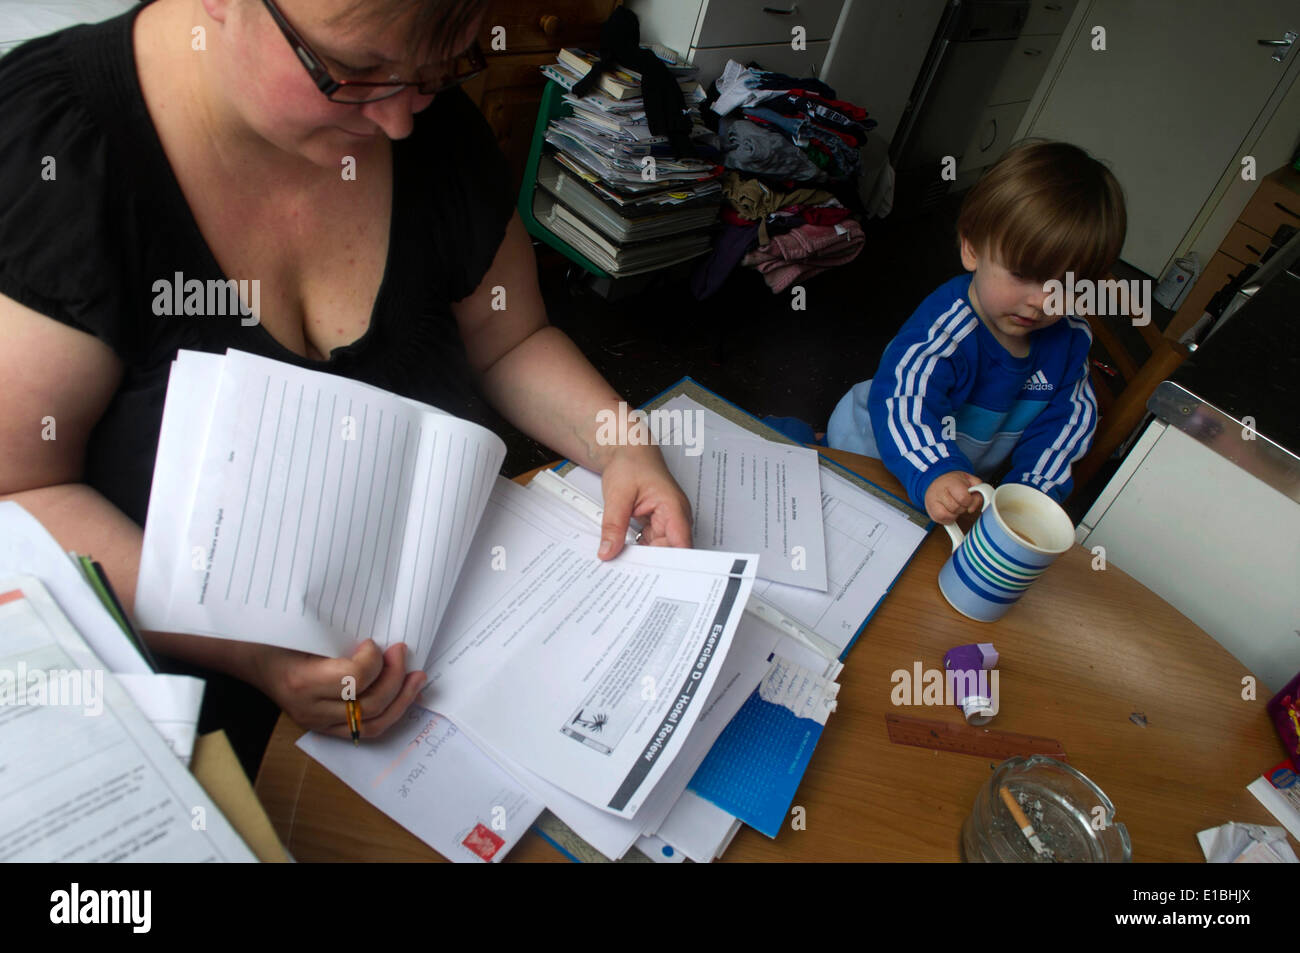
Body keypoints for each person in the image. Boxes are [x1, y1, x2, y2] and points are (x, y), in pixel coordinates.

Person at [0, 0, 691, 765]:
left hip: (432, 689)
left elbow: (509, 339)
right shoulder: (60, 156)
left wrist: (622, 444)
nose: (399, 123)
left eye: (433, 75)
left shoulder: (434, 126)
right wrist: (253, 651)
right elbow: (19, 491)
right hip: (167, 725)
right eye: (355, 72)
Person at [826, 140, 1125, 524]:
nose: (1041, 300)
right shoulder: (948, 327)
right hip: (873, 450)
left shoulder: (1068, 342)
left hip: (950, 475)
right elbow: (905, 401)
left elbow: (1066, 426)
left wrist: (1031, 494)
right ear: (971, 248)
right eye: (1023, 274)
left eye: (1066, 285)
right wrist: (935, 470)